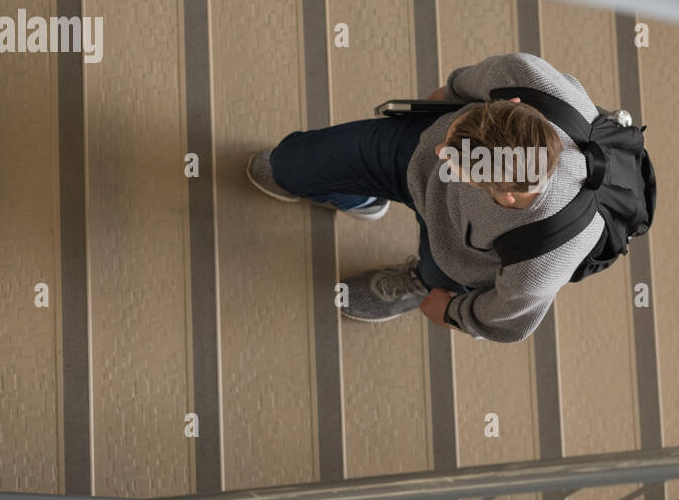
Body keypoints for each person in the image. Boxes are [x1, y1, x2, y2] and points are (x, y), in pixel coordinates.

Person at [246, 52, 605, 343]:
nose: (439, 151)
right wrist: (448, 101)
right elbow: (459, 88)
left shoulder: (543, 260)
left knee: (439, 279)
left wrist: (451, 313)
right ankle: (364, 200)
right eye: (456, 133)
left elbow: (507, 320)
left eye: (453, 160)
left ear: (507, 197)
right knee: (287, 165)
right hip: (410, 153)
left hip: (458, 254)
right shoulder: (522, 75)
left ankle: (421, 281)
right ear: (512, 103)